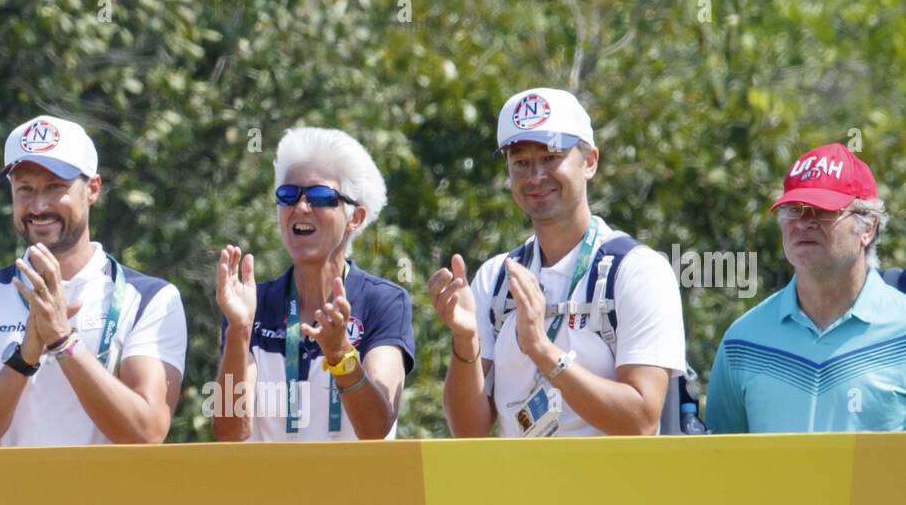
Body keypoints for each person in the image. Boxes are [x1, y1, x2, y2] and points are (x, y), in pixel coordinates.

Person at [429, 88, 686, 437]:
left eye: (551, 157)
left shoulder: (639, 270)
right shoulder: (496, 277)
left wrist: (542, 350)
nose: (535, 177)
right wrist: (464, 340)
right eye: (520, 162)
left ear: (590, 161)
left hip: (614, 490)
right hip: (519, 490)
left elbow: (641, 419)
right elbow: (468, 431)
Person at [0, 115, 186, 446]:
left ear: (93, 189)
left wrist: (64, 341)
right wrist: (23, 359)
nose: (39, 206)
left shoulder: (151, 299)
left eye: (56, 187)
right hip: (6, 500)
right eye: (25, 189)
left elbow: (146, 433)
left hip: (109, 499)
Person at [211, 127, 414, 441]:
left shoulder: (383, 301)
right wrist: (238, 329)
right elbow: (230, 433)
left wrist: (340, 354)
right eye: (288, 195)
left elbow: (376, 429)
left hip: (355, 491)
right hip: (268, 491)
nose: (301, 207)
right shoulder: (252, 304)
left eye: (321, 197)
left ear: (355, 218)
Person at [706, 143, 905, 432]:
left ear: (867, 228)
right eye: (793, 210)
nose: (803, 223)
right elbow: (718, 466)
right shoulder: (742, 342)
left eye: (822, 211)